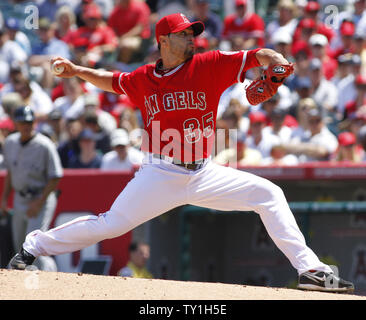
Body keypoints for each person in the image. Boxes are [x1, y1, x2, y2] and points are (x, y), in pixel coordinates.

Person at [8, 13, 354, 293]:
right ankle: (33, 247)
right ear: (163, 41)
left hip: (204, 172)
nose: (192, 39)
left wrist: (276, 66)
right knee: (110, 225)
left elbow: (262, 56)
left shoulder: (210, 64)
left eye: (193, 33)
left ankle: (310, 271)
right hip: (160, 173)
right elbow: (111, 79)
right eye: (184, 34)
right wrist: (76, 71)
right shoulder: (144, 78)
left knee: (269, 194)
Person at [1, 106, 63, 271]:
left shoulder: (44, 144)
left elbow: (55, 176)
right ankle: (23, 286)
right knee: (19, 248)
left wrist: (39, 202)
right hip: (20, 198)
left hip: (40, 197)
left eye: (30, 121)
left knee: (34, 246)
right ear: (16, 123)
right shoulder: (10, 143)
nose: (27, 125)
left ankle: (52, 277)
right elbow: (10, 174)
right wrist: (5, 198)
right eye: (23, 122)